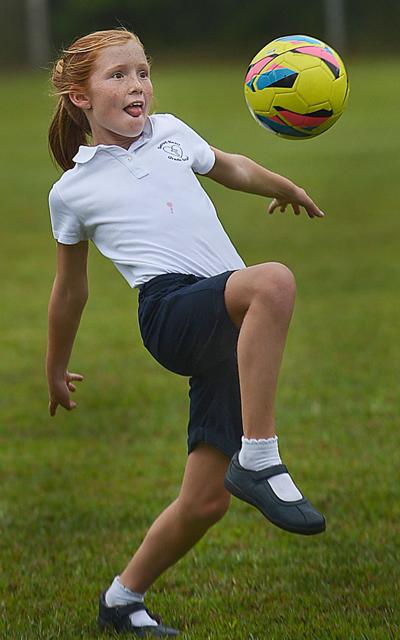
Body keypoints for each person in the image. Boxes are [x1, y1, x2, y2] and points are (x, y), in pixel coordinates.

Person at [46, 28, 326, 637]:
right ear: (78, 97)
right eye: (117, 76)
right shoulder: (72, 190)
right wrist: (54, 365)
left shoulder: (171, 133)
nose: (136, 85)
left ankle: (122, 600)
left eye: (142, 72)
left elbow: (228, 167)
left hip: (225, 323)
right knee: (272, 281)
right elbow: (70, 289)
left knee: (205, 502)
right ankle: (261, 457)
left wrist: (285, 186)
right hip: (171, 312)